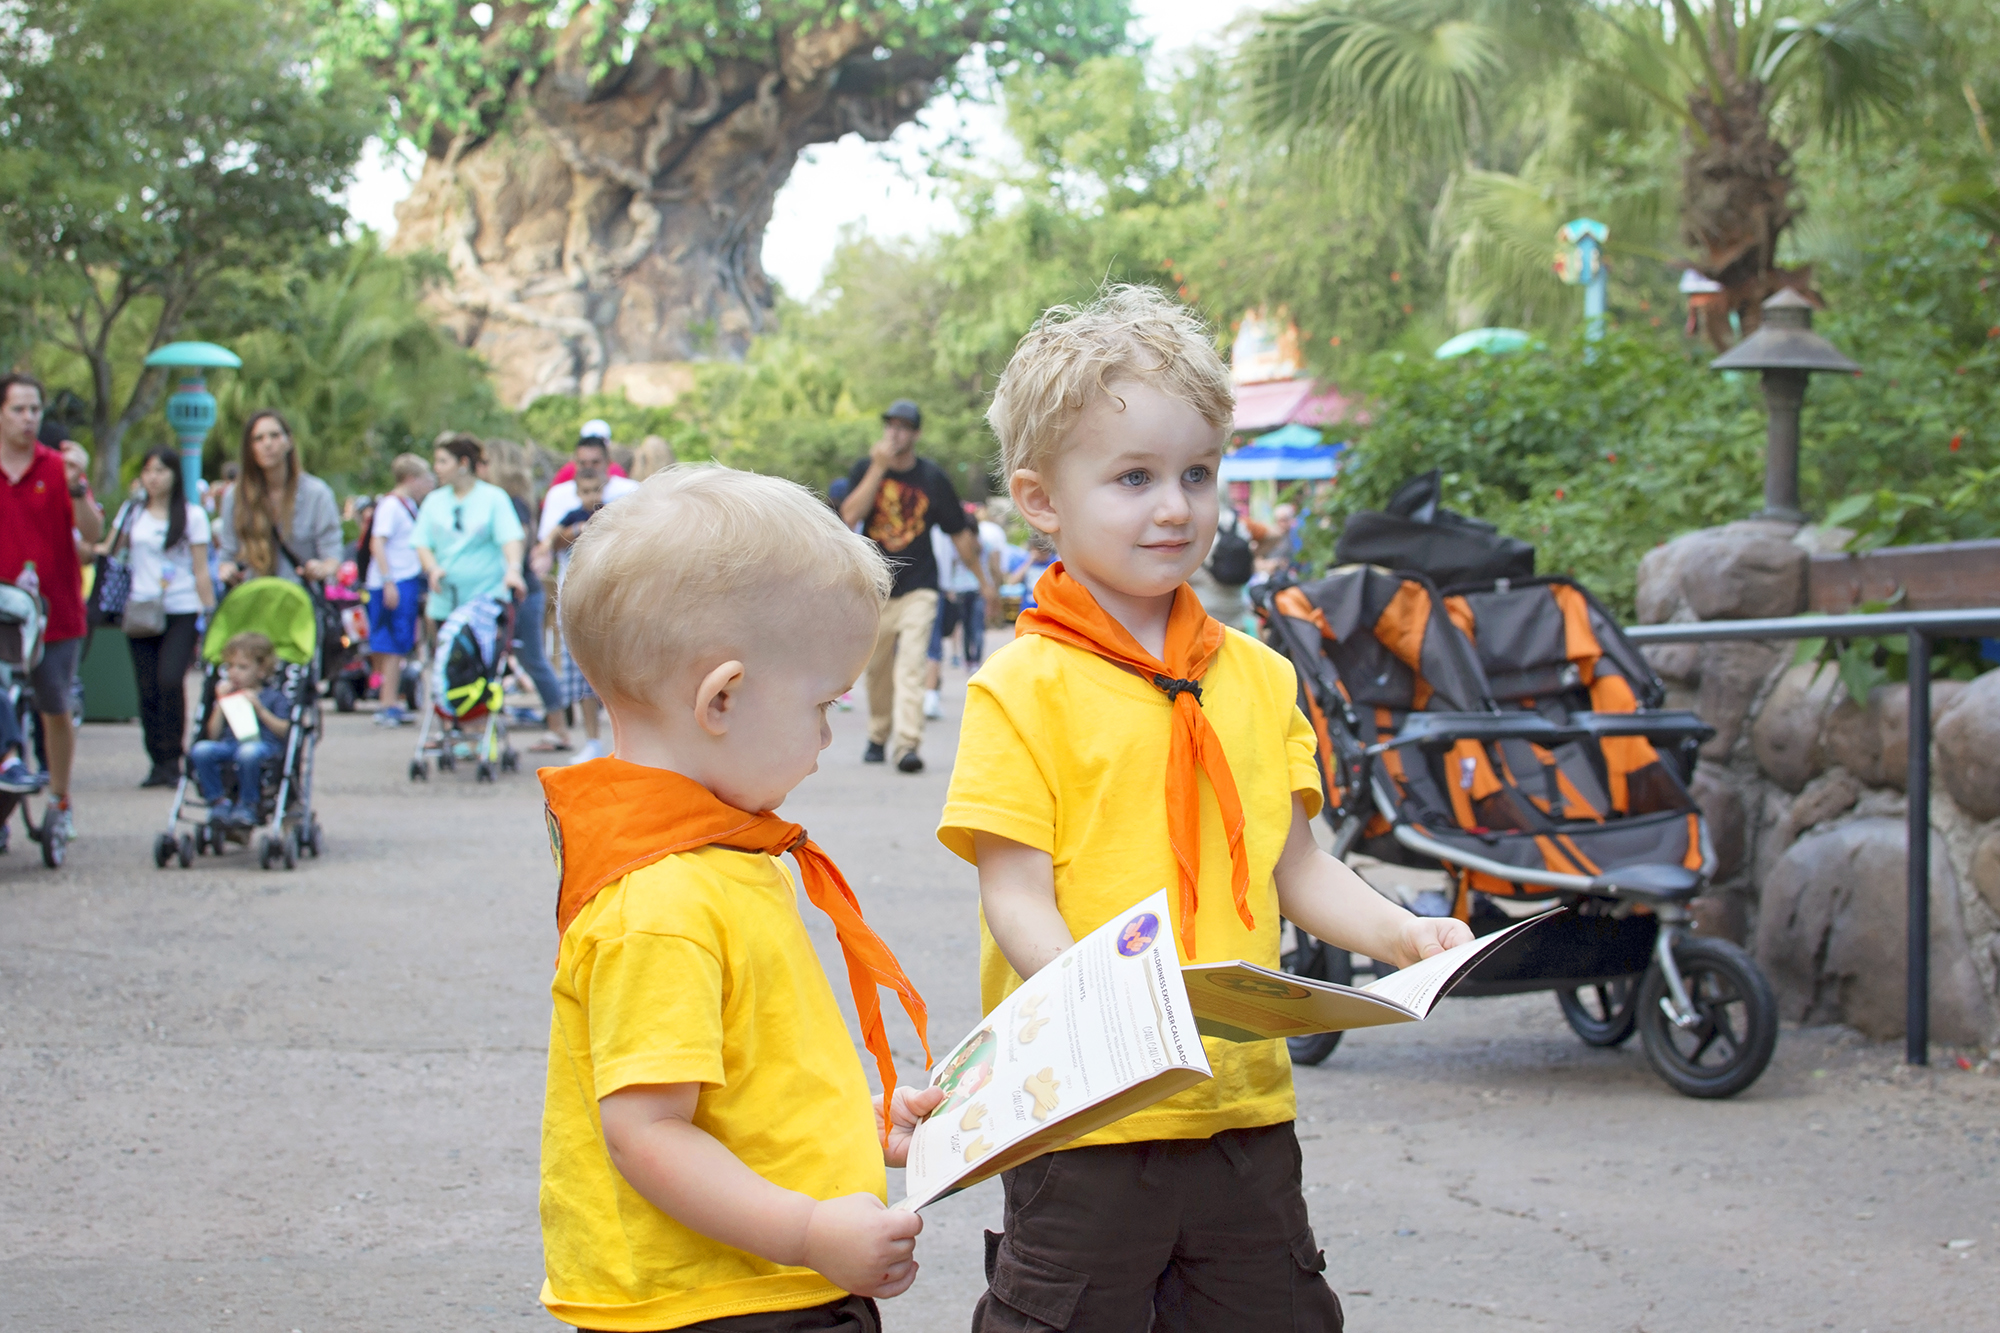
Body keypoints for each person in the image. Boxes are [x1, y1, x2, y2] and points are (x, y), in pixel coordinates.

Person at [940, 285, 1473, 1332]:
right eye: (1131, 478)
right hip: (1088, 1109)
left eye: (1195, 472)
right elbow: (1014, 895)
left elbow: (1298, 866)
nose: (1175, 507)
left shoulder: (1260, 676)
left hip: (1241, 1107)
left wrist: (1400, 932)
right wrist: (1107, 1003)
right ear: (1040, 498)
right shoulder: (1020, 686)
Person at [537, 463, 937, 1331]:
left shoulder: (715, 851)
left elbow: (735, 1082)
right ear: (722, 696)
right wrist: (809, 1226)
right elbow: (648, 1133)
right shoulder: (661, 900)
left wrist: (852, 1126)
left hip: (762, 1289)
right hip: (719, 1304)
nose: (829, 738)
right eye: (823, 705)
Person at [839, 399, 995, 773]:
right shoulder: (866, 468)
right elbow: (849, 516)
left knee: (911, 666)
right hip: (875, 587)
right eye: (890, 425)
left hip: (921, 586)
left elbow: (959, 533)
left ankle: (907, 745)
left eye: (904, 426)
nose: (895, 432)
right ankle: (878, 734)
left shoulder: (932, 479)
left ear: (916, 434)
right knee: (876, 670)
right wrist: (878, 466)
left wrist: (984, 582)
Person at [0, 373, 103, 836]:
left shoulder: (56, 467)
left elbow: (92, 534)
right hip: (3, 610)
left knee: (54, 703)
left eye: (34, 410)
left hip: (55, 610)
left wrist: (77, 485)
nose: (28, 419)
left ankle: (59, 798)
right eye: (18, 409)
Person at [109, 446, 217, 785]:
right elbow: (109, 550)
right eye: (148, 471)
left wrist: (211, 612)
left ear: (174, 474)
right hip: (141, 608)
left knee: (170, 680)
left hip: (180, 608)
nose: (154, 478)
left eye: (161, 470)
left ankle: (174, 754)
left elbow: (201, 569)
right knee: (147, 688)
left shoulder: (192, 515)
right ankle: (157, 759)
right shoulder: (132, 513)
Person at [480, 440, 569, 751]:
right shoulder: (506, 501)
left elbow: (515, 549)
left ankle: (559, 728)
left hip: (522, 593)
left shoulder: (511, 502)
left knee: (533, 659)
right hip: (509, 591)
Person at [216, 411, 343, 587]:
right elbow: (227, 556)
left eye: (274, 435)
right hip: (254, 600)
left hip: (301, 602)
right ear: (250, 448)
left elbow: (333, 556)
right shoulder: (235, 496)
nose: (267, 444)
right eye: (258, 439)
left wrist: (321, 568)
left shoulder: (316, 493)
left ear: (289, 441)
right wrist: (228, 570)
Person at [412, 434, 527, 625]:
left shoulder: (493, 497)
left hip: (486, 601)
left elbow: (510, 538)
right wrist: (432, 568)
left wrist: (514, 569)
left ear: (463, 463)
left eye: (443, 461)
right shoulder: (434, 501)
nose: (436, 468)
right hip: (445, 600)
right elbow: (421, 542)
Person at [189, 630, 291, 828]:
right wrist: (220, 704)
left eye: (242, 667)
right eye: (229, 667)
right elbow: (213, 734)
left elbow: (284, 729)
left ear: (261, 670)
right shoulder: (229, 696)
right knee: (201, 750)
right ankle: (217, 801)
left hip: (263, 745)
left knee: (248, 752)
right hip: (230, 744)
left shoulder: (273, 697)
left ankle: (248, 804)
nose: (234, 672)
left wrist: (261, 711)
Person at [365, 453, 433, 727]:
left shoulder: (408, 506)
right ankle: (387, 702)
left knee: (400, 644)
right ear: (411, 479)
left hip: (406, 580)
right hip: (393, 582)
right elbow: (377, 543)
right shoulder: (391, 506)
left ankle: (391, 699)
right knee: (391, 644)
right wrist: (387, 580)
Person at [545, 418, 631, 486]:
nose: (589, 467)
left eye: (595, 462)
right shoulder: (568, 472)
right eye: (583, 463)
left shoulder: (617, 474)